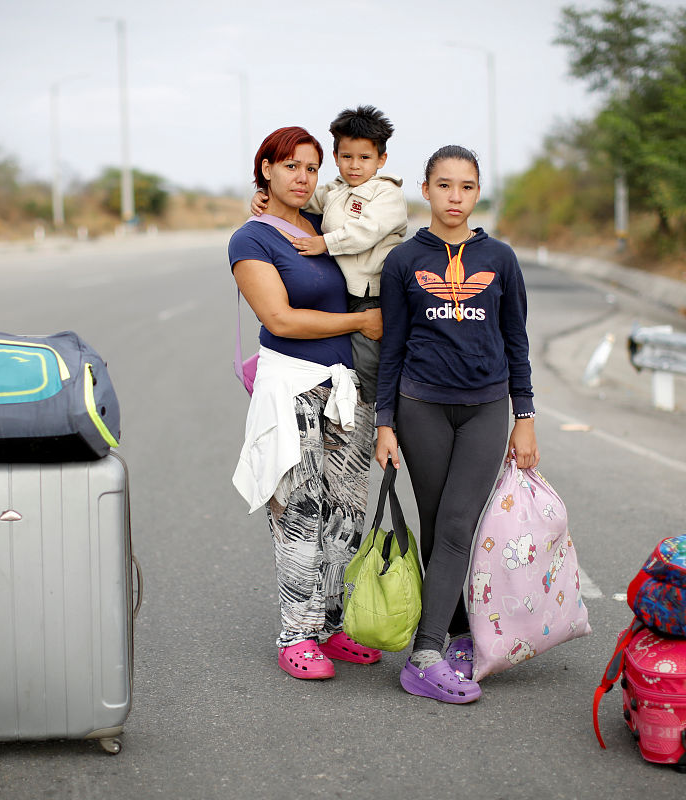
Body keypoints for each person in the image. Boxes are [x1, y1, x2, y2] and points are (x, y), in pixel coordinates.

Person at [374, 145, 539, 704]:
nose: (454, 197)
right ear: (426, 189)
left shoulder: (500, 259)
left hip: (485, 409)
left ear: (477, 192)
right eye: (444, 186)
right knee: (437, 523)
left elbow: (515, 341)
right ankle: (459, 634)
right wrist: (385, 422)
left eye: (466, 187)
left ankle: (425, 653)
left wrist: (525, 417)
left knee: (457, 525)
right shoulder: (402, 262)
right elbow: (392, 345)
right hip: (420, 405)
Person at [230, 126, 385, 680]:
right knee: (299, 513)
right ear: (266, 169)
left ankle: (332, 624)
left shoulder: (324, 227)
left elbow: (379, 228)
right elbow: (280, 318)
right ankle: (295, 634)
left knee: (346, 512)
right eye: (291, 165)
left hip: (346, 389)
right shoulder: (252, 240)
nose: (303, 177)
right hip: (291, 385)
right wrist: (362, 321)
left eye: (312, 168)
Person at [251, 105, 407, 403]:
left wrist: (326, 243)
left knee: (370, 362)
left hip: (373, 293)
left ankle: (383, 415)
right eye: (346, 157)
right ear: (336, 158)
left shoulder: (386, 194)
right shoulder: (335, 190)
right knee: (361, 359)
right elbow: (305, 199)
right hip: (350, 300)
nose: (354, 166)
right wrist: (263, 195)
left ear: (381, 159)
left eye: (365, 158)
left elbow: (367, 230)